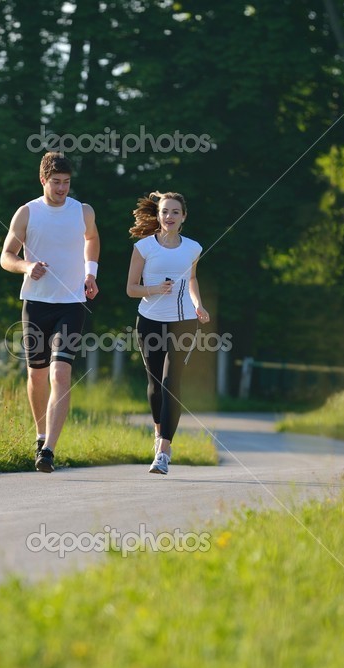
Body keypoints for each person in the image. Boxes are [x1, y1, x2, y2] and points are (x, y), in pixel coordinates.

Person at [0, 152, 100, 473]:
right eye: (56, 182)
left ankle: (49, 451)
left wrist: (90, 273)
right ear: (43, 180)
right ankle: (40, 434)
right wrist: (27, 266)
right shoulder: (27, 213)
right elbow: (6, 256)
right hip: (37, 304)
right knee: (37, 375)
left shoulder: (82, 211)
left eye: (66, 183)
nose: (61, 189)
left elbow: (92, 238)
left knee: (60, 373)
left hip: (71, 304)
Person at [125, 191, 209, 475]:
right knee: (155, 386)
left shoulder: (193, 248)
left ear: (183, 216)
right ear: (157, 216)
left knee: (171, 383)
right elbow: (131, 288)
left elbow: (192, 278)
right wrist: (154, 290)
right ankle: (159, 431)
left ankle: (163, 450)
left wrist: (198, 305)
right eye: (164, 212)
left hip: (184, 321)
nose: (169, 217)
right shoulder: (144, 248)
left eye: (175, 212)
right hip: (149, 320)